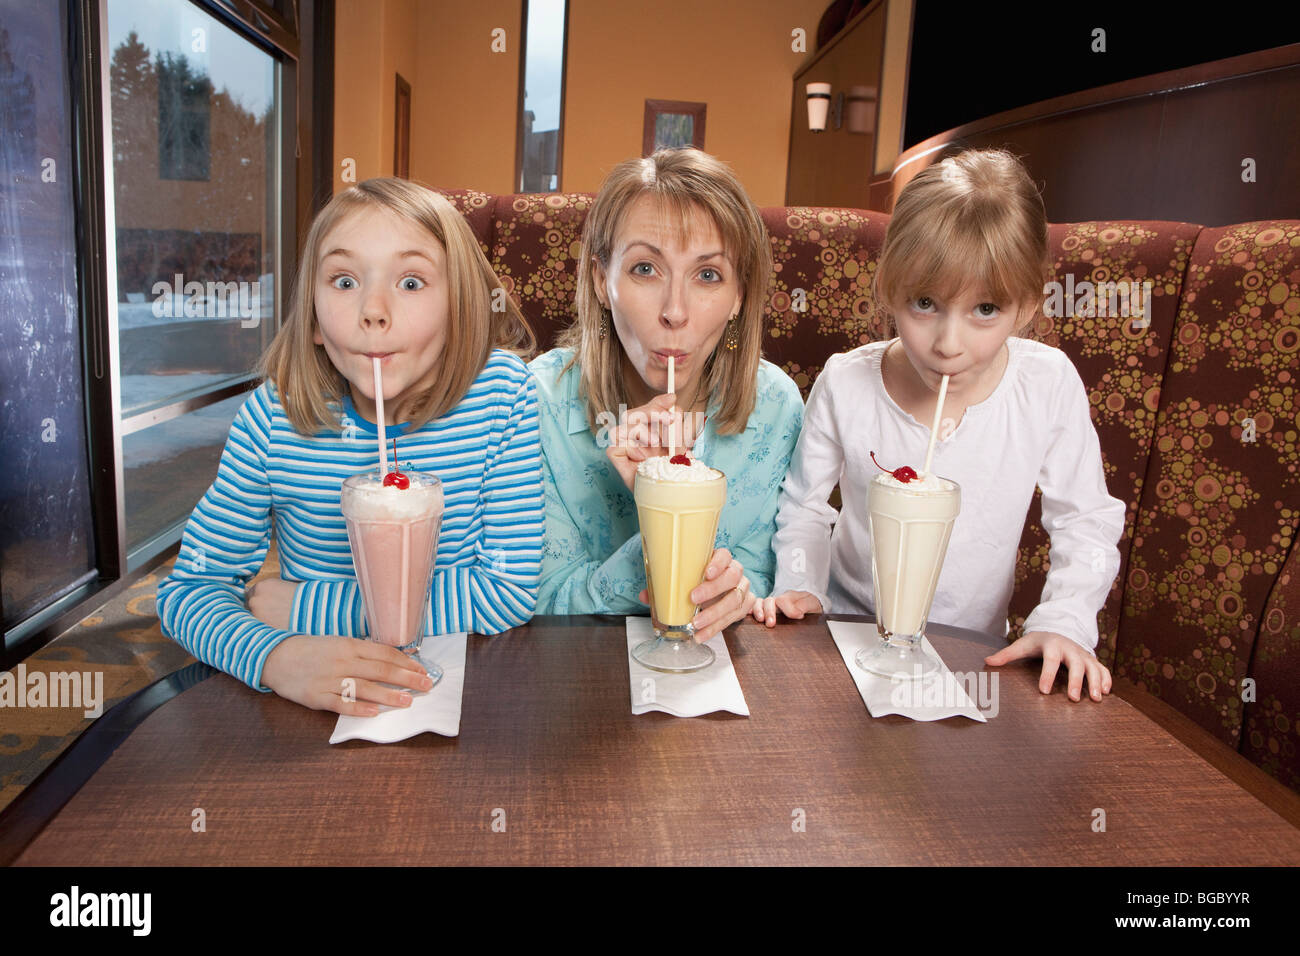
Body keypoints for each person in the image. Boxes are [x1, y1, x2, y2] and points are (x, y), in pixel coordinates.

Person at [157, 178, 543, 716]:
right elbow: (191, 590)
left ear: (461, 307)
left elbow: (507, 590)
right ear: (314, 317)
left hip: (468, 685)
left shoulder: (501, 396)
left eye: (411, 282)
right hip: (316, 704)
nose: (374, 311)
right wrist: (277, 656)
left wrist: (304, 608)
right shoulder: (275, 418)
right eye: (343, 281)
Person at [754, 148, 1126, 702]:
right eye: (924, 303)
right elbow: (805, 505)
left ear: (1026, 304)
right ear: (889, 288)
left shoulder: (1047, 385)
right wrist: (801, 586)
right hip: (843, 641)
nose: (949, 345)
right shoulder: (846, 381)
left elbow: (1086, 521)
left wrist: (1065, 620)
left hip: (970, 657)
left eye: (985, 310)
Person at [530, 148, 804, 642]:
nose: (675, 311)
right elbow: (539, 606)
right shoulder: (537, 402)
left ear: (739, 293)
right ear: (600, 279)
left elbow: (761, 582)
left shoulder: (776, 406)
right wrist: (659, 530)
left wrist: (739, 597)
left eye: (707, 275)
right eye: (645, 269)